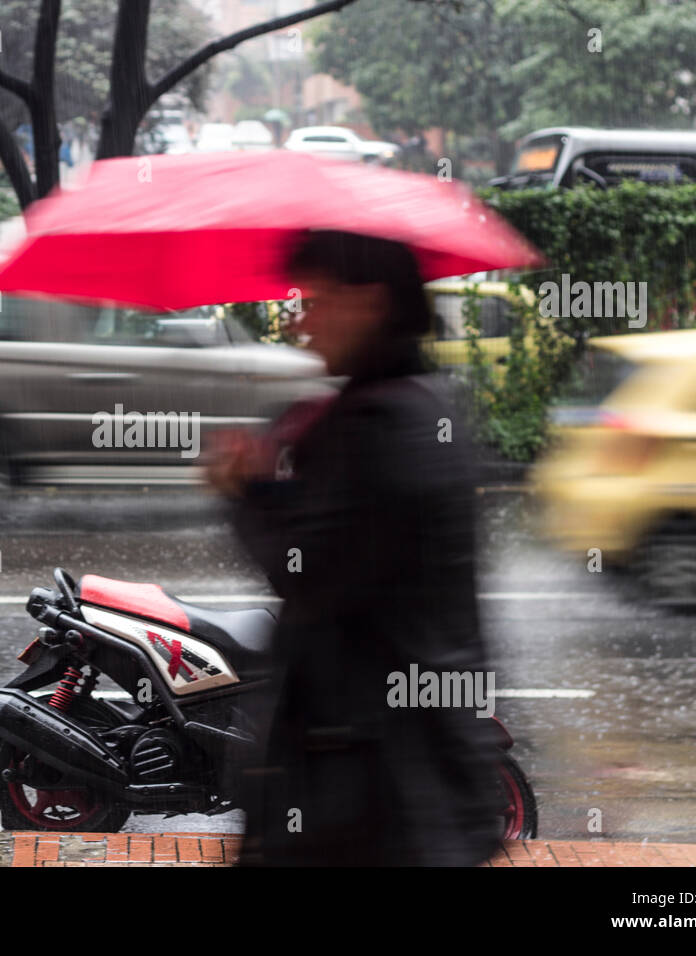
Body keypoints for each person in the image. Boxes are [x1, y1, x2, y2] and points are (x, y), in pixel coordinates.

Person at [207, 230, 503, 866]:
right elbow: (356, 550)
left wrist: (247, 491)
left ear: (369, 302)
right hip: (400, 772)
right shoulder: (418, 405)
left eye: (314, 299)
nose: (299, 319)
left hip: (374, 786)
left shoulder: (380, 426)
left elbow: (310, 575)